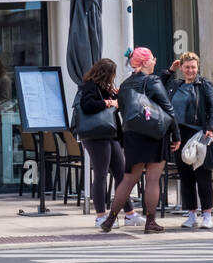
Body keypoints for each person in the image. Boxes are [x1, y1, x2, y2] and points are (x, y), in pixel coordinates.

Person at [99, 48, 177, 234]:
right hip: (155, 135)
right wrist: (177, 135)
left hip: (133, 136)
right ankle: (150, 222)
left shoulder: (125, 85)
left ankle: (110, 219)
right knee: (152, 180)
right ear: (144, 63)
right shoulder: (152, 81)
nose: (155, 62)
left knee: (129, 179)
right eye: (152, 59)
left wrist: (169, 73)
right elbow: (168, 109)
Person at [75, 58, 140, 227]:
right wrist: (108, 102)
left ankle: (130, 214)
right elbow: (88, 105)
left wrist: (115, 96)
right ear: (106, 74)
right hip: (96, 136)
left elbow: (116, 105)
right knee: (101, 174)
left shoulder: (104, 87)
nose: (113, 77)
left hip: (110, 135)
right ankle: (100, 216)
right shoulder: (89, 86)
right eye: (112, 74)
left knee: (121, 174)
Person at [162, 52, 213, 229]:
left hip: (199, 134)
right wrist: (170, 70)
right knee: (185, 176)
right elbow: (158, 86)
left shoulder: (204, 85)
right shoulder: (175, 85)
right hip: (178, 135)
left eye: (193, 67)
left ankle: (207, 214)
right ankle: (191, 213)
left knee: (202, 174)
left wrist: (210, 127)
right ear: (182, 68)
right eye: (186, 67)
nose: (190, 70)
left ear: (198, 67)